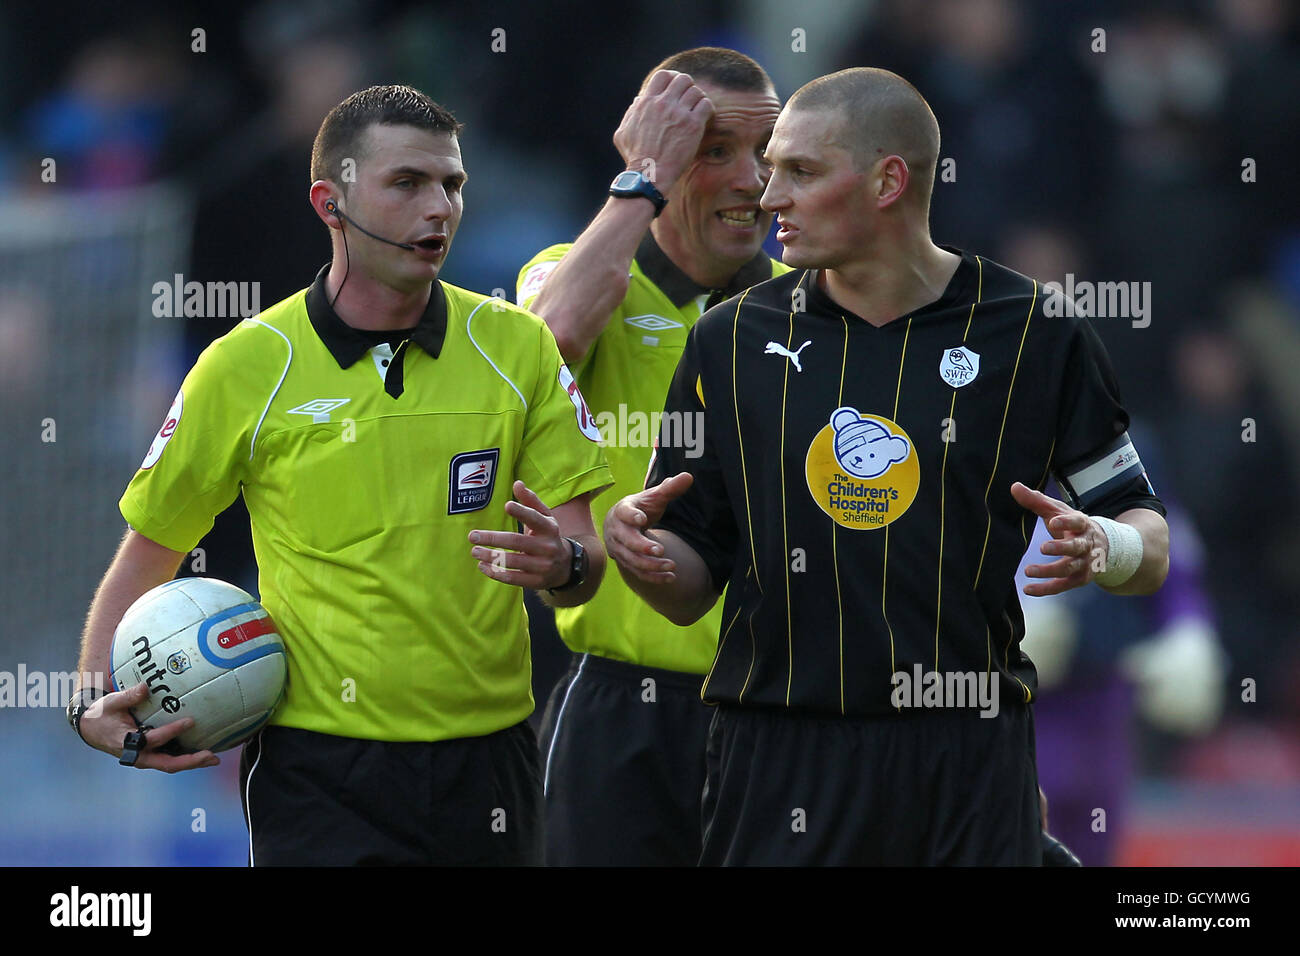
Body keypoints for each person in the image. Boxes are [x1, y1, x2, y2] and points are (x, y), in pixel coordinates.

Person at [605, 67, 1170, 865]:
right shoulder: (731, 338)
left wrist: (1106, 546)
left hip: (968, 752)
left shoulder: (1036, 332)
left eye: (799, 171)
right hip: (778, 756)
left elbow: (1149, 539)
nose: (770, 198)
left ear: (887, 181)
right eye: (772, 171)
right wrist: (643, 553)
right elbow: (690, 585)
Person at [66, 85, 612, 866]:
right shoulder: (246, 366)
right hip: (319, 773)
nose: (440, 209)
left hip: (489, 759)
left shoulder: (518, 347)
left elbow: (582, 553)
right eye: (407, 183)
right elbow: (148, 553)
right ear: (331, 202)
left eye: (452, 185)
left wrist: (562, 565)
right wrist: (90, 701)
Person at [516, 47, 789, 865]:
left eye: (766, 155)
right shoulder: (574, 277)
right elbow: (548, 344)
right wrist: (641, 175)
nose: (752, 180)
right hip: (620, 709)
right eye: (715, 152)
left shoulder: (809, 310)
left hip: (777, 711)